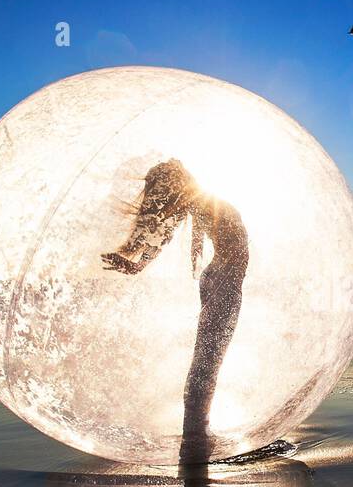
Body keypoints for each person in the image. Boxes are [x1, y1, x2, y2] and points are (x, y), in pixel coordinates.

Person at [102, 158, 249, 464]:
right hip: (223, 282)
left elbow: (165, 230)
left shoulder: (202, 205)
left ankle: (194, 437)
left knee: (205, 365)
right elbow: (167, 229)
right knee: (206, 367)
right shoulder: (206, 204)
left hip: (219, 279)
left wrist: (138, 263)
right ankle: (194, 444)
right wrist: (138, 264)